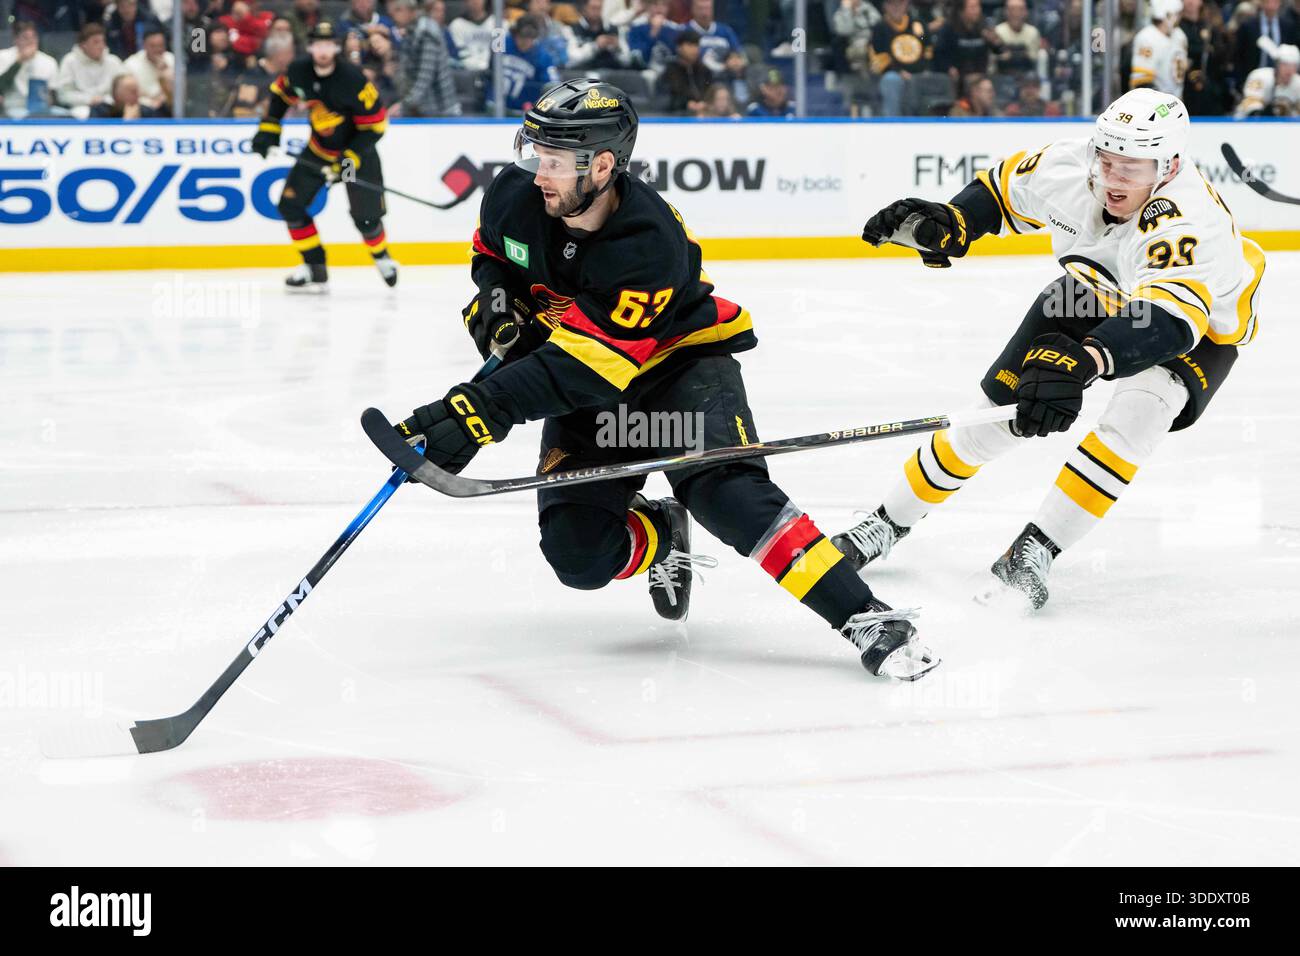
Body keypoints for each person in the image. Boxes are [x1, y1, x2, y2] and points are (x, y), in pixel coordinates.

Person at [390, 79, 939, 680]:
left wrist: (479, 410)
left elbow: (588, 367)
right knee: (578, 554)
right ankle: (660, 533)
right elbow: (492, 254)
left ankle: (864, 615)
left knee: (728, 496)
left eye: (553, 162)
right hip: (585, 382)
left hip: (676, 374)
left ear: (601, 166)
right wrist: (495, 300)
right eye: (533, 154)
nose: (536, 173)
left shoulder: (649, 241)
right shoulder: (514, 196)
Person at [834, 89, 1266, 611]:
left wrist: (1084, 361)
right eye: (1106, 161)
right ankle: (884, 523)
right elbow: (1000, 191)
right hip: (1093, 288)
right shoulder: (1070, 165)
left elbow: (1169, 321)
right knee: (992, 419)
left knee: (1137, 417)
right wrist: (953, 223)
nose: (1111, 179)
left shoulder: (1190, 223)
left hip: (1196, 323)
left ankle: (1034, 550)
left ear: (1169, 166)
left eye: (1130, 169)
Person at [249, 22, 399, 292]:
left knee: (366, 219)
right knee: (290, 207)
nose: (323, 50)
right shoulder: (298, 71)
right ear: (310, 47)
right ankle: (314, 267)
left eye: (328, 44)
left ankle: (381, 257)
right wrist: (269, 130)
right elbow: (280, 96)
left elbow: (376, 127)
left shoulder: (353, 79)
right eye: (318, 44)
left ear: (336, 48)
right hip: (319, 150)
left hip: (356, 154)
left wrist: (348, 157)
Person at [396, 0, 461, 116]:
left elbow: (425, 76)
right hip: (421, 108)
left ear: (410, 11)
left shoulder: (427, 32)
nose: (393, 14)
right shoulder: (410, 31)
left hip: (441, 109)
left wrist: (404, 106)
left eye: (398, 10)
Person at [870, 0, 931, 116]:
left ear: (906, 4)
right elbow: (879, 60)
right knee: (891, 80)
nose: (896, 7)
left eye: (900, 3)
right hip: (892, 74)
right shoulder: (879, 28)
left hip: (919, 75)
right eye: (892, 4)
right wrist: (899, 72)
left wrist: (925, 70)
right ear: (885, 6)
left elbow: (927, 49)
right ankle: (893, 123)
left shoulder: (918, 25)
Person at [54, 23, 124, 118]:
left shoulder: (114, 62)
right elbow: (64, 95)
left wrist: (105, 100)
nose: (101, 46)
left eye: (103, 41)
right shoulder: (69, 61)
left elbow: (123, 92)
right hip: (80, 109)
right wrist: (89, 99)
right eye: (96, 42)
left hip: (111, 108)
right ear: (83, 45)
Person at [491, 14, 560, 111]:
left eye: (529, 37)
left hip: (524, 109)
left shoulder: (543, 56)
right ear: (515, 34)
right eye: (522, 37)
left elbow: (552, 85)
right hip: (495, 106)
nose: (525, 41)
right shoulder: (502, 44)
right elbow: (489, 70)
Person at [1233, 0, 1300, 88]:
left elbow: (1294, 54)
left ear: (1279, 3)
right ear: (1261, 3)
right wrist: (1241, 83)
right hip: (1254, 81)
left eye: (1275, 2)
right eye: (1267, 1)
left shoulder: (1288, 26)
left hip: (1282, 83)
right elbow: (1238, 56)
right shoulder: (1248, 26)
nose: (1271, 6)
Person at [0, 21, 60, 118]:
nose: (31, 41)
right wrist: (19, 62)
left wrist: (49, 100)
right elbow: (0, 88)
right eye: (25, 38)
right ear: (16, 39)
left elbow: (53, 92)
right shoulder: (3, 57)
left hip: (42, 108)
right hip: (13, 106)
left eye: (34, 37)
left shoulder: (49, 61)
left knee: (66, 115)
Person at [1130, 0, 1190, 96]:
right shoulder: (1147, 38)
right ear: (1167, 15)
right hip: (1153, 104)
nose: (1180, 17)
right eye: (1177, 14)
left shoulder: (1180, 35)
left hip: (1175, 102)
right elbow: (1142, 82)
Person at [1236, 40, 1300, 115]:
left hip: (1283, 125)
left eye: (1293, 66)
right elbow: (1251, 104)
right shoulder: (1260, 76)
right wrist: (1261, 113)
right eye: (1285, 64)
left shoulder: (1297, 83)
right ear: (1277, 64)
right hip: (1249, 123)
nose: (1289, 69)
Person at [569, 0, 633, 70]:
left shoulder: (613, 29)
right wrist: (596, 46)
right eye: (593, 8)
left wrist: (617, 48)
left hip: (612, 74)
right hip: (584, 74)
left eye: (599, 8)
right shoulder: (573, 29)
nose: (596, 12)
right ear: (584, 8)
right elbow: (572, 60)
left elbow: (627, 61)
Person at [123, 26, 173, 115]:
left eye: (161, 45)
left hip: (168, 107)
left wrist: (165, 72)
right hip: (142, 108)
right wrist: (149, 102)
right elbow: (128, 95)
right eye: (153, 46)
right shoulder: (131, 64)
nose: (158, 50)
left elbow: (179, 94)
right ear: (144, 46)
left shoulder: (172, 60)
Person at [662, 29, 711, 113]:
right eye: (690, 45)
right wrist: (686, 104)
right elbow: (664, 100)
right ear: (679, 47)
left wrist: (707, 104)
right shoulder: (670, 71)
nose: (694, 49)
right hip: (679, 119)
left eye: (696, 45)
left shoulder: (705, 71)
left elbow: (712, 93)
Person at [685, 0, 741, 72]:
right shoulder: (684, 31)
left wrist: (734, 61)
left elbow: (737, 54)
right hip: (699, 75)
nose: (704, 13)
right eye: (700, 9)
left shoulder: (726, 31)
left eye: (707, 8)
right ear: (692, 10)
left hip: (725, 75)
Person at [449, 0, 494, 71]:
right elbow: (462, 56)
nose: (475, 1)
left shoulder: (499, 23)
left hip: (494, 73)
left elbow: (500, 54)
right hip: (467, 73)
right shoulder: (456, 25)